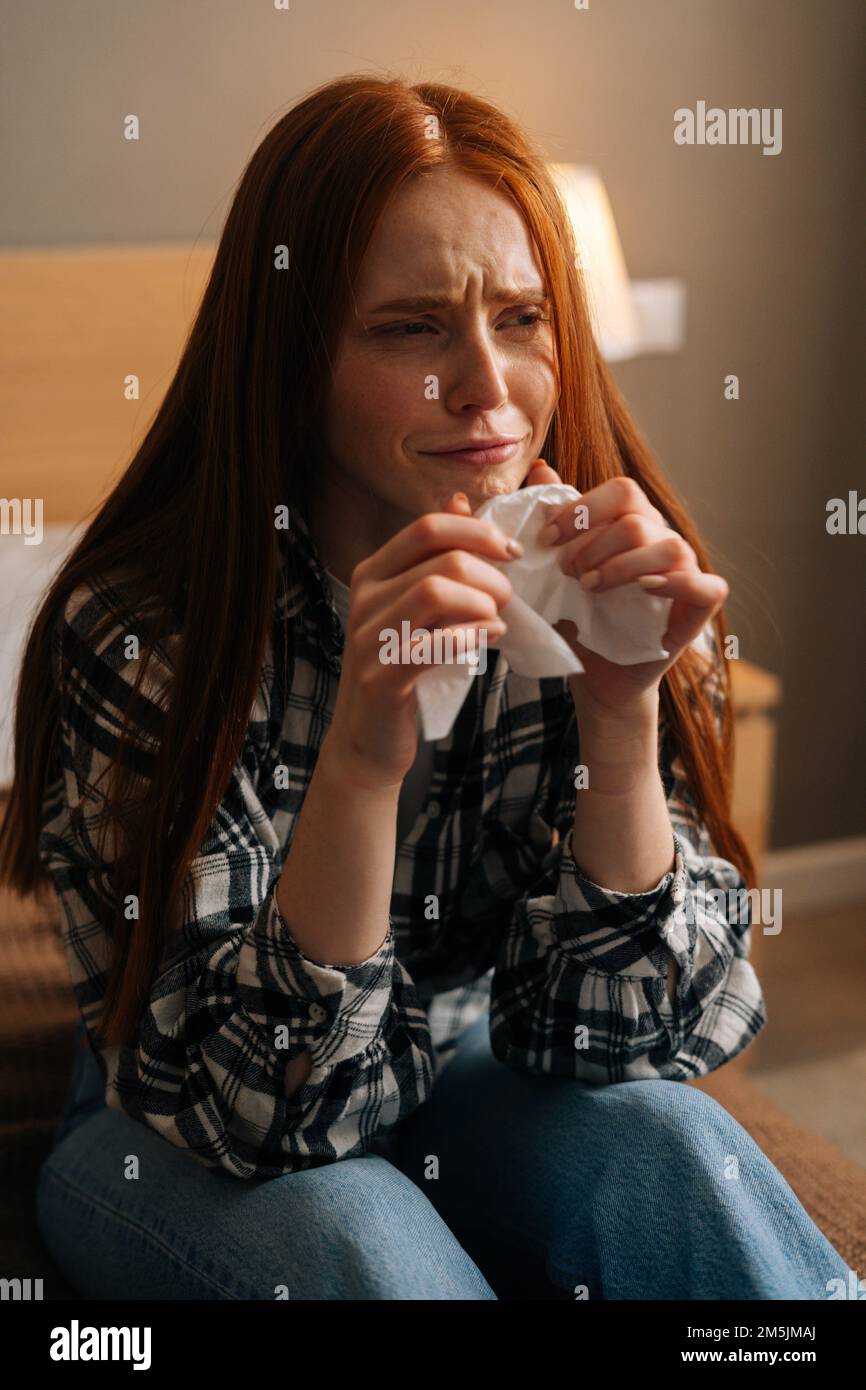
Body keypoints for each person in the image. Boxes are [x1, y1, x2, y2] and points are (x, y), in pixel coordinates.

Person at [0, 73, 853, 1300]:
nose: (488, 388)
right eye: (409, 328)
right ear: (292, 356)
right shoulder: (142, 637)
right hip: (173, 1115)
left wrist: (620, 715)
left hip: (453, 1057)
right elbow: (261, 1113)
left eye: (521, 316)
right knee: (355, 1230)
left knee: (674, 1148)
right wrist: (360, 757)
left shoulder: (603, 578)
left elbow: (620, 1044)